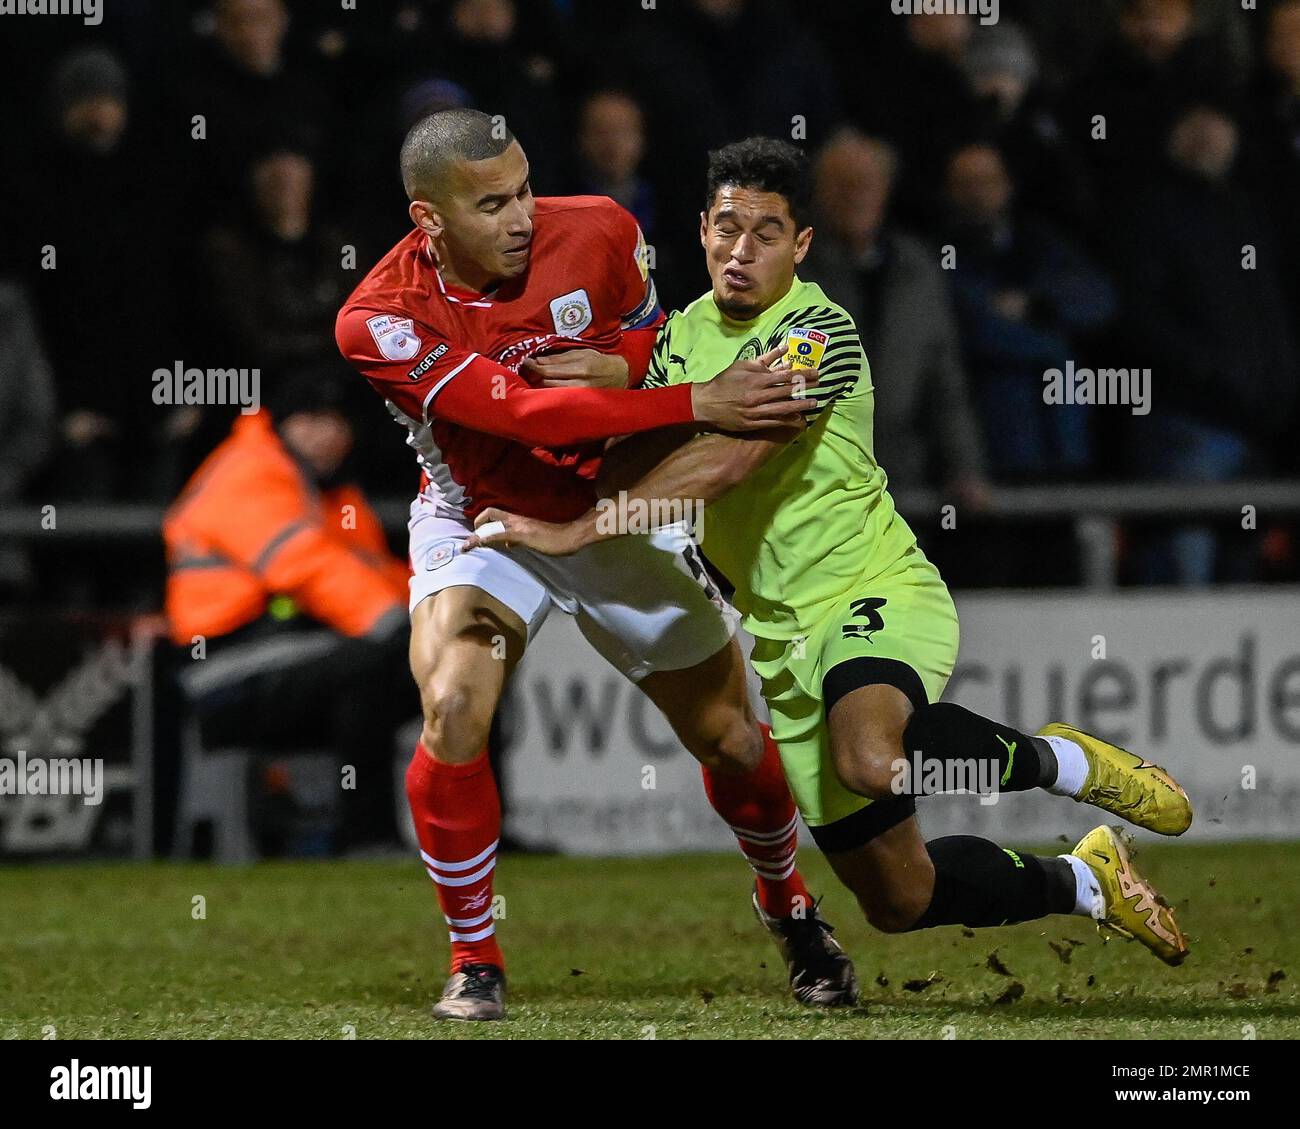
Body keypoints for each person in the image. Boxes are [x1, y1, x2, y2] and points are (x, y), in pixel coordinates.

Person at [468, 138, 1194, 969]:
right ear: (701, 229)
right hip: (781, 643)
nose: (740, 252)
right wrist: (569, 420)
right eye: (727, 228)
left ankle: (1068, 761)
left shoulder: (818, 331)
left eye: (766, 233)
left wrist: (570, 530)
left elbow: (732, 457)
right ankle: (1086, 882)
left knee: (874, 756)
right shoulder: (675, 346)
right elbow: (631, 461)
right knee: (900, 897)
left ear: (801, 245)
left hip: (870, 590)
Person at [336, 109, 853, 1021]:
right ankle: (475, 960)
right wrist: (707, 399)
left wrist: (631, 365)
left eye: (526, 187)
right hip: (484, 523)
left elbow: (657, 344)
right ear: (429, 221)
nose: (523, 216)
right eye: (492, 203)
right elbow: (524, 414)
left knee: (731, 737)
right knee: (454, 705)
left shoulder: (603, 228)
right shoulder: (378, 317)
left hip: (614, 510)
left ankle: (790, 906)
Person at [163, 373, 412, 852]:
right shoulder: (248, 469)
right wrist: (394, 624)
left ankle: (482, 837)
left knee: (463, 665)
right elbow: (302, 565)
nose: (329, 434)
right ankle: (367, 838)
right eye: (312, 420)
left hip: (288, 652)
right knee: (372, 667)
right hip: (222, 665)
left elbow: (374, 573)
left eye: (339, 422)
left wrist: (436, 622)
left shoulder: (329, 490)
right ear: (282, 422)